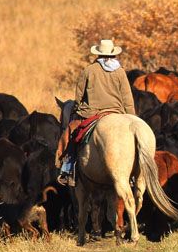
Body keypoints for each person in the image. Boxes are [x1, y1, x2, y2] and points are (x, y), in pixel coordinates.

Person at [56, 39, 136, 186]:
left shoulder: (89, 70)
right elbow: (127, 98)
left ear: (98, 54)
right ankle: (132, 175)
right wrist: (132, 117)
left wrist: (77, 108)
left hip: (91, 114)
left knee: (71, 133)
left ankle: (68, 170)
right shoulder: (120, 72)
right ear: (113, 54)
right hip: (116, 112)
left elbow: (78, 96)